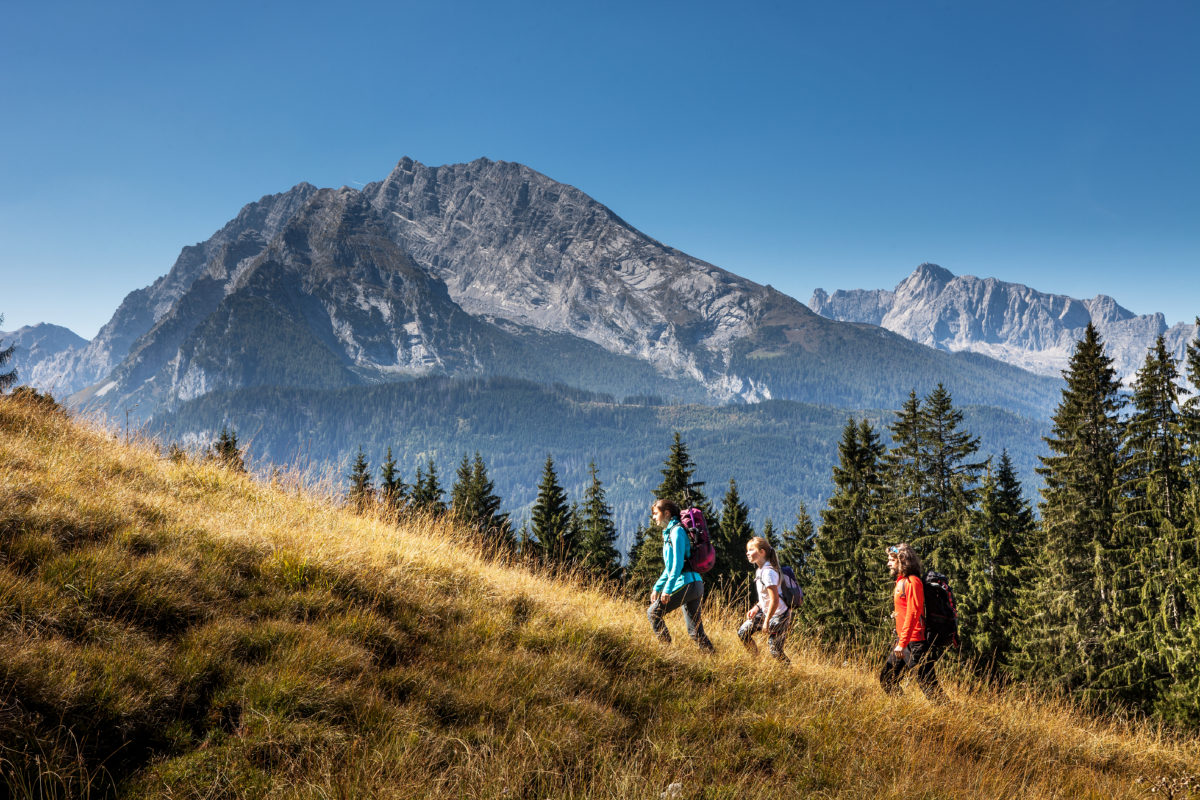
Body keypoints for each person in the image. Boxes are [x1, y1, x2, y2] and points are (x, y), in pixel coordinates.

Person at [879, 543, 945, 700]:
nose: (888, 563)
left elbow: (913, 613)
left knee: (930, 687)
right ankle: (903, 709)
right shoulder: (901, 581)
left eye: (892, 560)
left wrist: (902, 643)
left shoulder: (913, 582)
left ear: (902, 560)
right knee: (887, 679)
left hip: (915, 643)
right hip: (904, 641)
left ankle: (951, 713)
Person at [646, 498, 714, 652]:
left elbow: (677, 565)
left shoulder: (676, 532)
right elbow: (669, 568)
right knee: (695, 632)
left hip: (687, 583)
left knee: (653, 613)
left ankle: (666, 652)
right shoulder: (670, 532)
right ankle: (713, 657)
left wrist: (667, 589)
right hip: (695, 584)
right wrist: (657, 587)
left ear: (667, 513)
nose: (654, 517)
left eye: (656, 513)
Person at [737, 536, 791, 664]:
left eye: (751, 550)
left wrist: (766, 621)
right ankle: (756, 661)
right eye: (747, 550)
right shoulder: (760, 571)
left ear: (762, 552)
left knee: (775, 650)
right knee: (743, 632)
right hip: (769, 612)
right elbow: (765, 597)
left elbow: (775, 600)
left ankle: (788, 670)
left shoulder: (768, 573)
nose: (747, 553)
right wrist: (756, 608)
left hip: (779, 616)